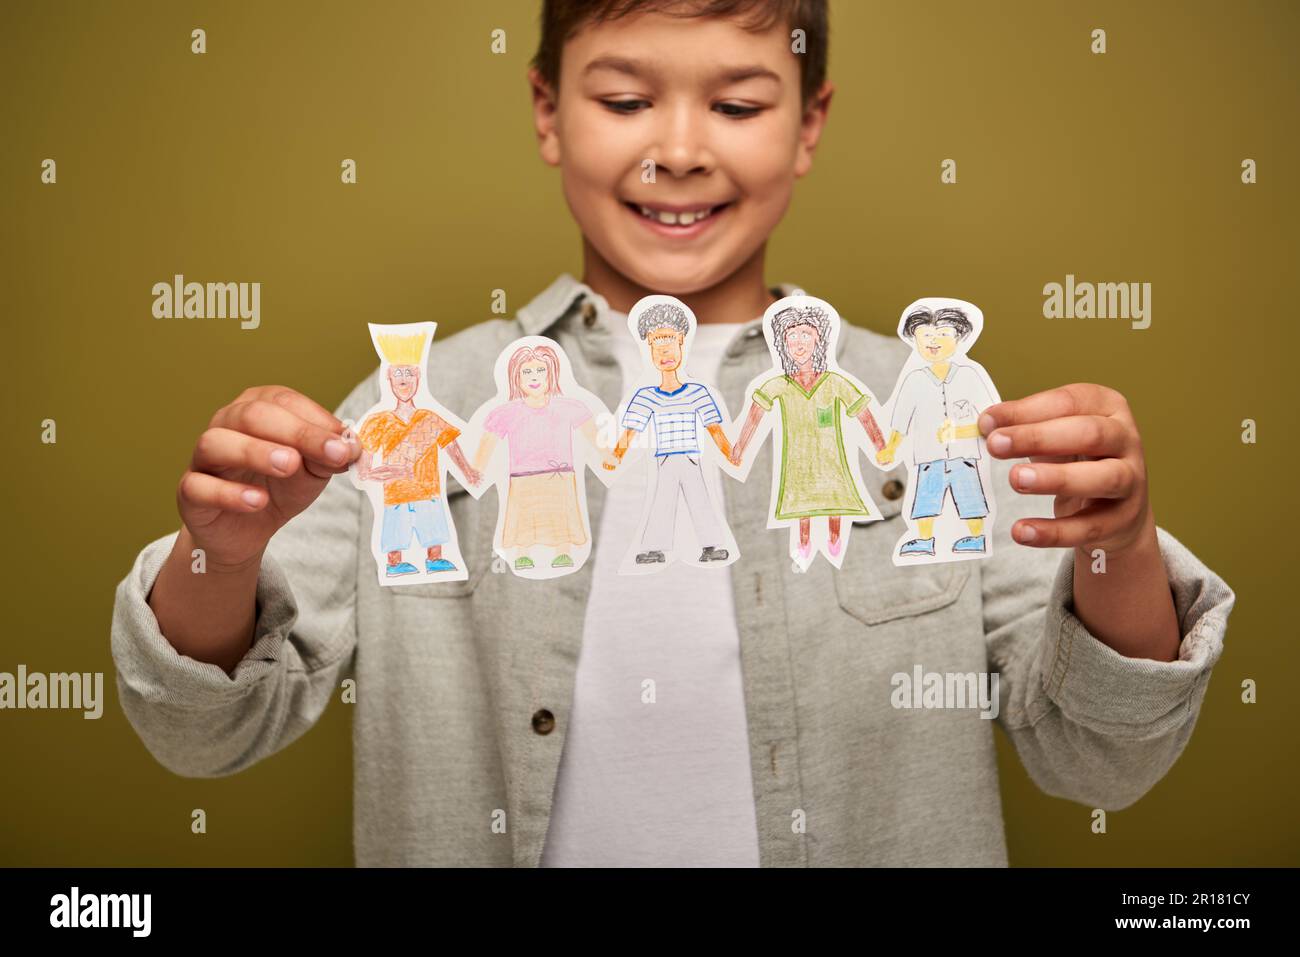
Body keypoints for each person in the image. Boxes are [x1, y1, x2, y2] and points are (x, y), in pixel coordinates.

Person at [112, 0, 1234, 867]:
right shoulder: (424, 402)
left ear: (810, 126)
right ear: (548, 113)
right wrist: (226, 548)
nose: (681, 150)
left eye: (739, 107)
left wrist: (1115, 544)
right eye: (624, 100)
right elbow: (201, 735)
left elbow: (1101, 759)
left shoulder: (924, 416)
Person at [731, 301, 886, 559]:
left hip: (831, 459)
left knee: (835, 499)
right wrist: (739, 449)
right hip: (797, 460)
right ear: (782, 344)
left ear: (819, 340)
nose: (799, 342)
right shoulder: (778, 385)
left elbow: (863, 413)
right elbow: (754, 416)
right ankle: (803, 542)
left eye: (806, 335)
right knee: (801, 504)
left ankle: (834, 538)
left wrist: (880, 444)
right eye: (791, 336)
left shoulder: (835, 381)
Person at [611, 300, 733, 564]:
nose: (664, 350)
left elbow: (714, 427)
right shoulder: (645, 396)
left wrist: (730, 454)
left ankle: (710, 546)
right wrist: (616, 456)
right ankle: (654, 548)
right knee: (661, 500)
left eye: (670, 342)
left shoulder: (698, 392)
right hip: (664, 458)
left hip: (691, 457)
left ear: (682, 343)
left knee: (700, 498)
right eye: (656, 343)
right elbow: (631, 430)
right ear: (649, 348)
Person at [354, 330, 480, 577]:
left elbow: (451, 446)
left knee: (433, 527)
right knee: (395, 531)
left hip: (428, 489)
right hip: (395, 493)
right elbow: (363, 470)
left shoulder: (429, 418)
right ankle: (394, 563)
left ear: (418, 378)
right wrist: (387, 472)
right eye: (398, 374)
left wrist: (468, 472)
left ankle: (435, 559)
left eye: (409, 373)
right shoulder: (377, 421)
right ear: (388, 379)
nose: (404, 380)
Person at [472, 342, 608, 571]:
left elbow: (593, 436)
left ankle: (563, 551)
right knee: (524, 516)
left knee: (560, 514)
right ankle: (522, 553)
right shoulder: (508, 412)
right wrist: (474, 471)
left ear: (552, 374)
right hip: (523, 476)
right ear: (516, 376)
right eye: (527, 371)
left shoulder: (569, 407)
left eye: (540, 370)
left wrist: (609, 457)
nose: (534, 377)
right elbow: (487, 443)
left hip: (559, 475)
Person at [877, 304, 996, 557]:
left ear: (958, 339)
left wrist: (961, 432)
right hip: (928, 456)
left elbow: (991, 419)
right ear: (916, 340)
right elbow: (901, 419)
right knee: (925, 499)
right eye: (926, 336)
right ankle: (923, 540)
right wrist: (891, 447)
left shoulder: (970, 376)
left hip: (965, 455)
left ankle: (975, 537)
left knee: (970, 496)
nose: (934, 342)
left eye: (942, 335)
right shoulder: (913, 380)